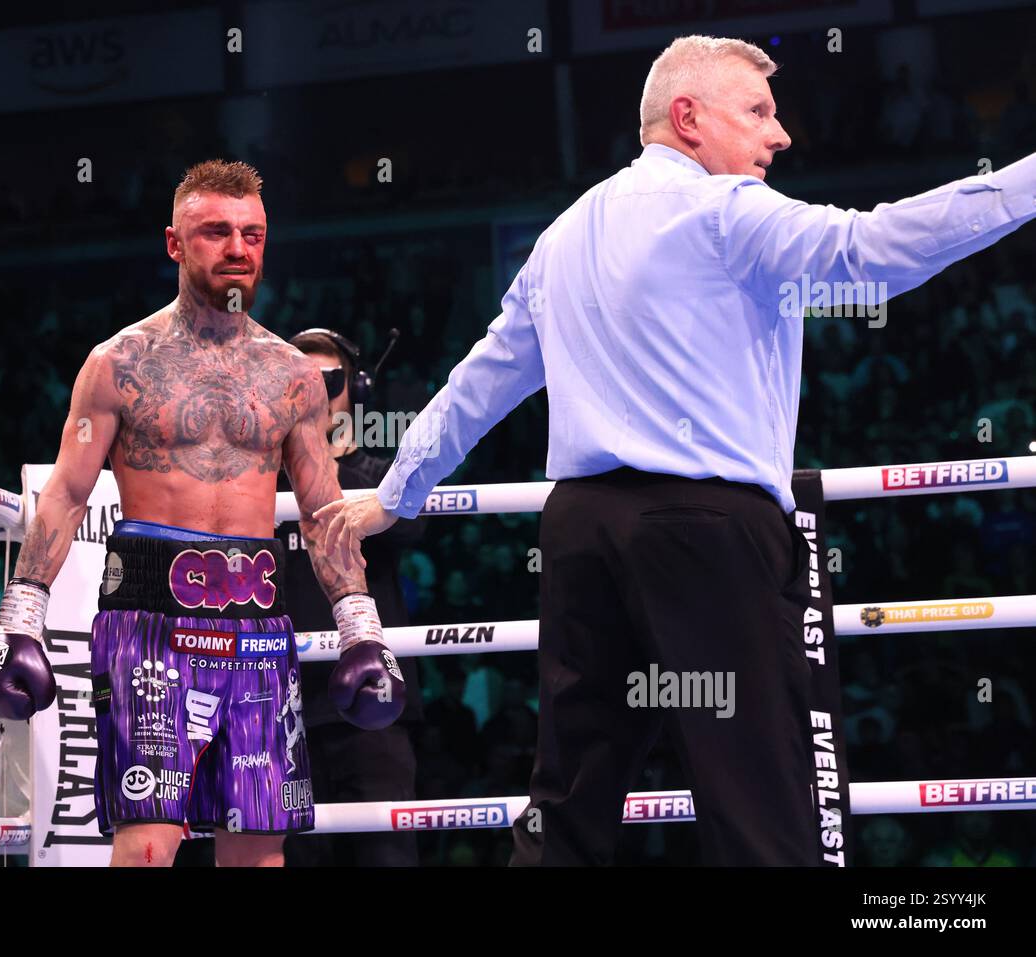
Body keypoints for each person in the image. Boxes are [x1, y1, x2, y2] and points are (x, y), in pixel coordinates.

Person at [317, 34, 1036, 865]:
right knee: (756, 793)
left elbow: (484, 380)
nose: (781, 135)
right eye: (759, 112)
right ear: (688, 118)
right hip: (707, 532)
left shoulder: (565, 233)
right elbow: (867, 257)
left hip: (582, 535)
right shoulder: (727, 212)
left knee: (569, 806)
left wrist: (399, 491)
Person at [0, 159, 408, 867]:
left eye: (253, 233)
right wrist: (19, 616)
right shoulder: (117, 363)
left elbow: (324, 508)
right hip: (151, 619)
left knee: (260, 847)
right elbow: (67, 491)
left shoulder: (293, 375)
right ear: (174, 243)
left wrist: (360, 626)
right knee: (148, 842)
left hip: (258, 621)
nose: (238, 247)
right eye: (215, 231)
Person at [278, 328, 425, 866]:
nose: (317, 391)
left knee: (386, 858)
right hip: (280, 710)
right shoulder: (260, 484)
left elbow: (413, 530)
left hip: (373, 701)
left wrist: (336, 464)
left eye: (330, 380)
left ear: (354, 391)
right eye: (303, 380)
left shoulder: (378, 481)